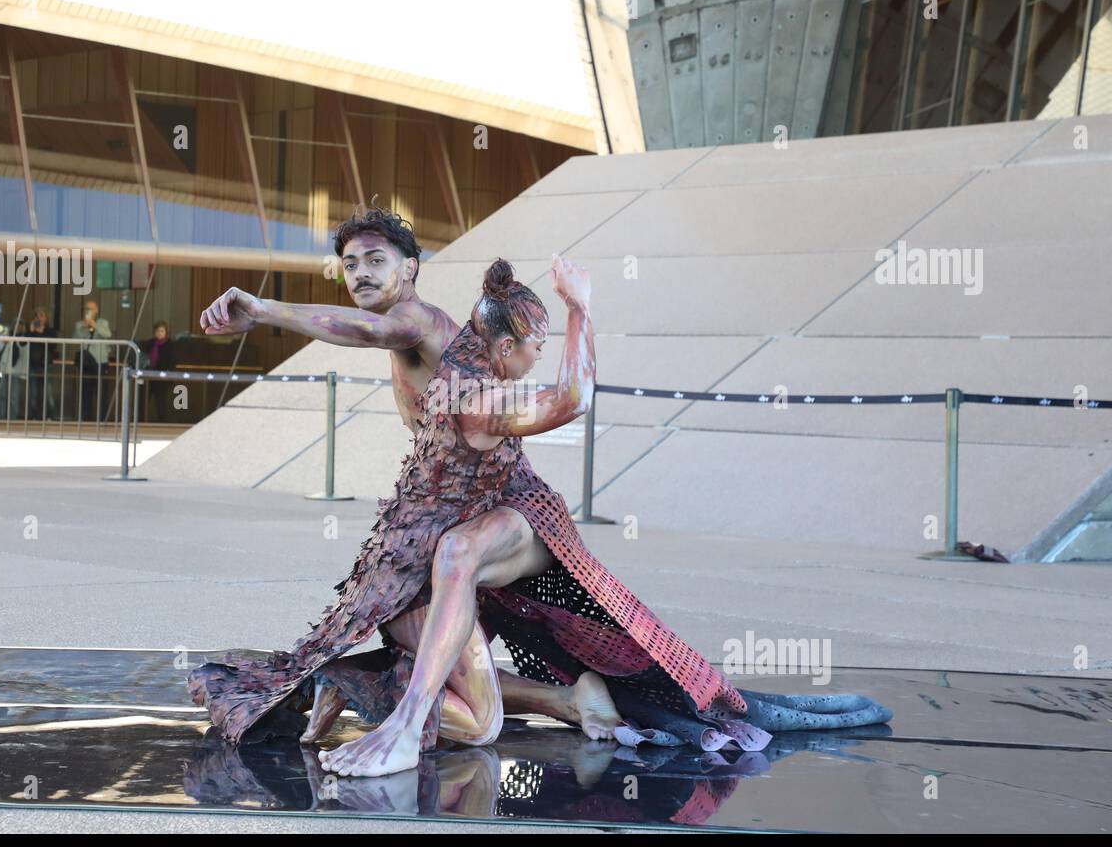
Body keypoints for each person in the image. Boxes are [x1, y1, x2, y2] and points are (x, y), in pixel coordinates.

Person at [190, 257, 893, 778]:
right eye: (535, 342)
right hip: (420, 536)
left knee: (460, 559)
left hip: (502, 518)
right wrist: (581, 309)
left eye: (374, 260)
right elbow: (574, 395)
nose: (537, 352)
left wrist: (264, 310)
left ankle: (405, 725)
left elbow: (395, 335)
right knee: (472, 699)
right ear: (503, 348)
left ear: (407, 268)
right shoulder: (472, 388)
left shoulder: (454, 345)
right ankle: (415, 691)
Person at [73, 300, 112, 422]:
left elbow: (108, 334)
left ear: (96, 310)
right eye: (86, 309)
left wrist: (94, 325)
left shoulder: (103, 323)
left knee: (102, 392)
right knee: (86, 392)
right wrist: (84, 327)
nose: (89, 311)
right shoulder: (79, 324)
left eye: (91, 309)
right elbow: (75, 339)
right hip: (87, 362)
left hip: (101, 361)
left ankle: (102, 419)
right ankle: (85, 418)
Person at [26, 307, 58, 421]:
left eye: (41, 315)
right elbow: (24, 342)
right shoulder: (31, 331)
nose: (39, 318)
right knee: (33, 393)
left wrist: (40, 333)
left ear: (46, 318)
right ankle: (34, 415)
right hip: (33, 365)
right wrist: (31, 330)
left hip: (46, 365)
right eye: (37, 316)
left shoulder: (50, 331)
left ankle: (50, 415)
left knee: (48, 392)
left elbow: (52, 345)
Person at [141, 320, 177, 422]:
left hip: (162, 377)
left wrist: (168, 374)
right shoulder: (150, 343)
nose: (159, 333)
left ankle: (162, 422)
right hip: (149, 375)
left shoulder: (170, 344)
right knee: (144, 399)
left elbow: (173, 360)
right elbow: (144, 356)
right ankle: (141, 420)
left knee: (160, 401)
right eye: (157, 331)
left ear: (166, 332)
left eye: (162, 331)